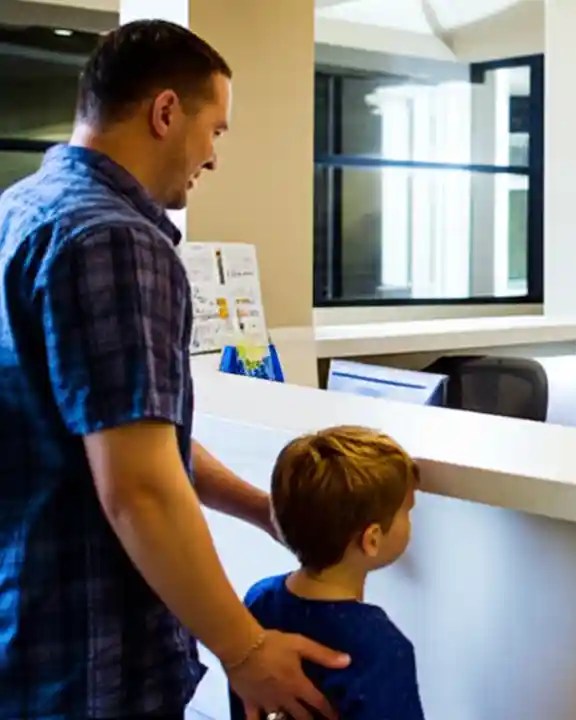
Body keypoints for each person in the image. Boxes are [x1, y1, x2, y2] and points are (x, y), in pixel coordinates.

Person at [0, 20, 347, 720]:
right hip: (89, 656)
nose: (214, 156)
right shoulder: (117, 240)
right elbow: (140, 489)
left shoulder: (20, 209)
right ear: (165, 112)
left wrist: (260, 508)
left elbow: (117, 429)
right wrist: (247, 653)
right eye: (215, 129)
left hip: (27, 634)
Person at [230, 426, 426, 720]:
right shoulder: (379, 647)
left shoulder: (258, 600)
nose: (409, 519)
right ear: (372, 539)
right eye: (407, 510)